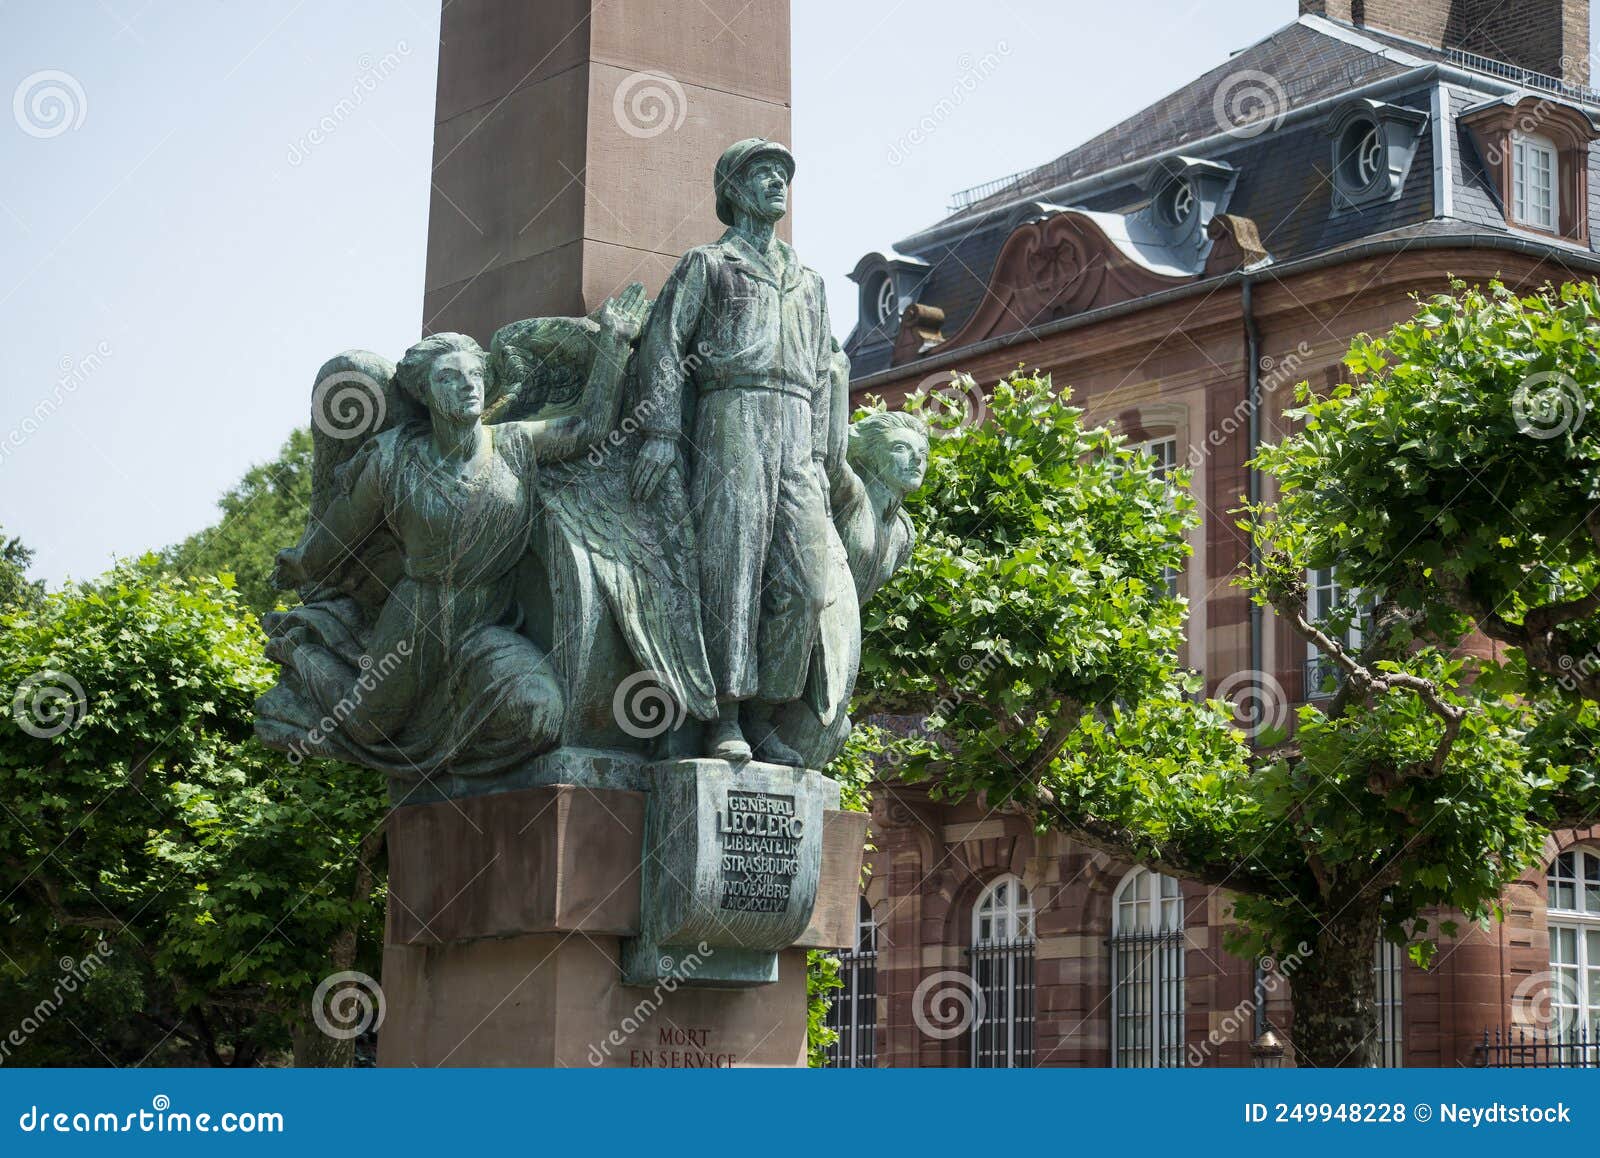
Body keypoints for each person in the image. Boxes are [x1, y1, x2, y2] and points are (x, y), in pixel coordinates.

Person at [258, 285, 647, 778]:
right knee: (363, 724)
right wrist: (300, 562)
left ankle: (461, 755)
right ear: (423, 392)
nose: (468, 386)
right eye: (449, 377)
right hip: (416, 620)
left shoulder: (513, 445)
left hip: (489, 619)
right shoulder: (393, 459)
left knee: (540, 714)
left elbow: (589, 429)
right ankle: (297, 647)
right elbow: (340, 533)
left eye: (475, 374)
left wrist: (614, 343)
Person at [630, 139, 835, 765]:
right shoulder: (708, 263)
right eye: (762, 174)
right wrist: (662, 434)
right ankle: (725, 713)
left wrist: (822, 460)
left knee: (804, 581)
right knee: (732, 564)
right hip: (731, 413)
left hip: (796, 424)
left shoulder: (810, 280)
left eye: (783, 174)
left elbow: (825, 371)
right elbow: (664, 345)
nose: (777, 182)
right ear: (733, 191)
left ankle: (769, 710)